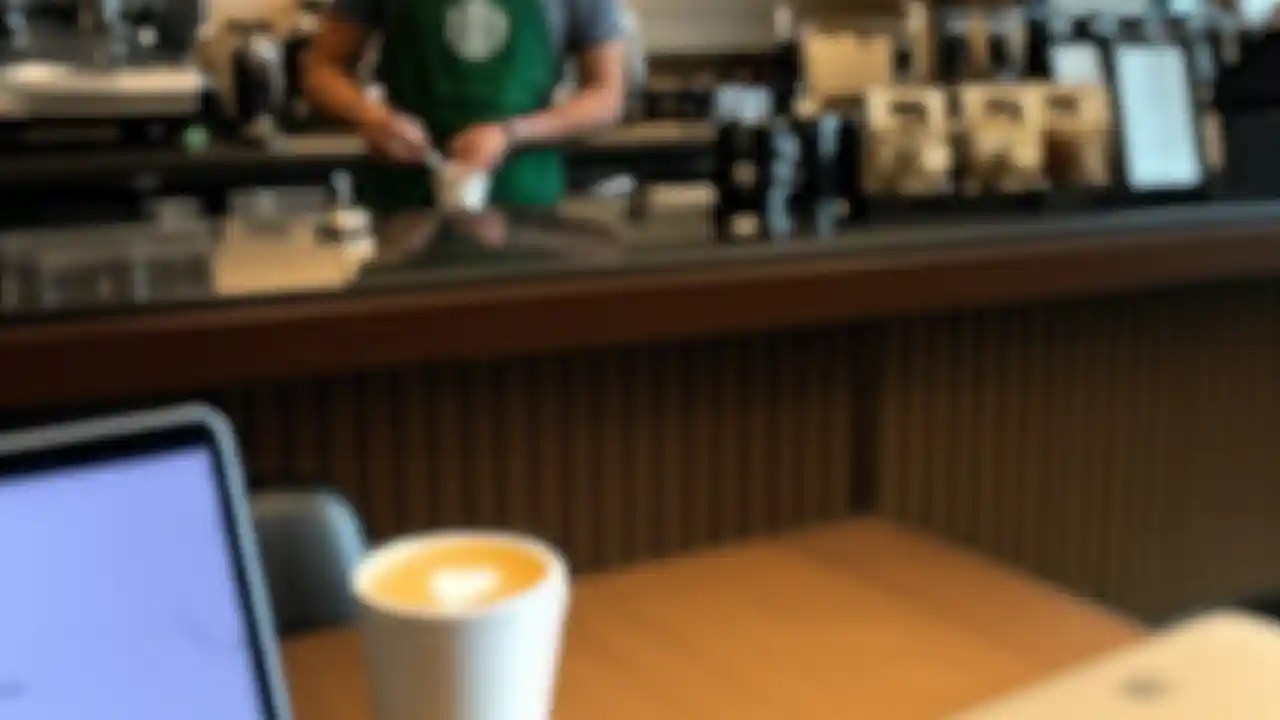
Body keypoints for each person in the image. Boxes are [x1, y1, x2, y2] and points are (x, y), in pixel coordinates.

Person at [304, 0, 626, 212]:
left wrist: (511, 133)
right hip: (404, 206)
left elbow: (607, 96)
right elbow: (321, 68)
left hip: (527, 209)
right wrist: (374, 118)